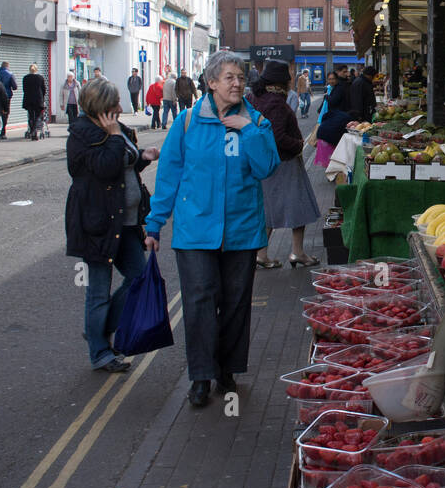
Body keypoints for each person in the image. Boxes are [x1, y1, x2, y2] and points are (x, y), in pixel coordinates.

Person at [144, 51, 280, 408]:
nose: (237, 84)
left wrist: (248, 130)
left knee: (235, 304)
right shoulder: (188, 122)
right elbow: (169, 176)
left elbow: (267, 167)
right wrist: (154, 224)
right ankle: (201, 376)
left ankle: (228, 370)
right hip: (195, 232)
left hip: (242, 230)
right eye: (230, 77)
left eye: (241, 78)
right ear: (212, 82)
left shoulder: (256, 121)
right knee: (200, 302)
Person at [65, 77, 158, 374]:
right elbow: (105, 168)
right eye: (114, 104)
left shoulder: (115, 129)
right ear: (100, 107)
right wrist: (116, 136)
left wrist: (142, 158)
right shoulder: (82, 135)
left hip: (126, 222)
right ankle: (100, 352)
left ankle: (99, 328)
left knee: (139, 278)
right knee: (98, 291)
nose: (120, 107)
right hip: (98, 225)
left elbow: (123, 165)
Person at [246, 60, 321, 270]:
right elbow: (277, 136)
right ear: (282, 82)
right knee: (299, 206)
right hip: (283, 162)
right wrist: (298, 144)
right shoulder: (276, 103)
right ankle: (297, 252)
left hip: (264, 163)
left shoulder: (255, 98)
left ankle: (262, 254)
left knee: (269, 208)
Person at [22, 64, 47, 139]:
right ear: (36, 69)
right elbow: (43, 89)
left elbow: (24, 89)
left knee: (30, 116)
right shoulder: (40, 77)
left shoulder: (25, 78)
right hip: (38, 100)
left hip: (28, 99)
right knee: (37, 116)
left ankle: (32, 131)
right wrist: (42, 97)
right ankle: (34, 131)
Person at [0, 61, 17, 141]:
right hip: (6, 96)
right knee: (5, 114)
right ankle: (3, 133)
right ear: (7, 66)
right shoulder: (10, 74)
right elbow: (15, 86)